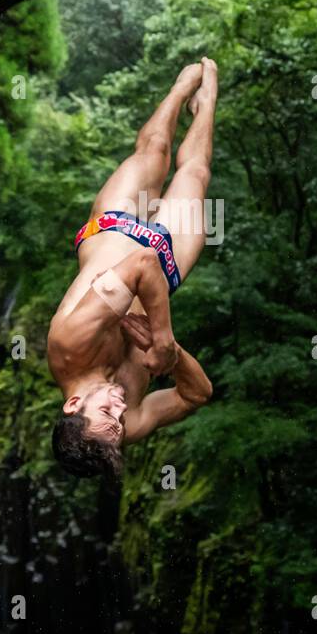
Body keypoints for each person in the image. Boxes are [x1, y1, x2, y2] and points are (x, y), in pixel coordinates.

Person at [47, 58, 218, 480]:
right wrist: (173, 357)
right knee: (195, 172)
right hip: (168, 256)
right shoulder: (124, 426)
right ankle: (208, 102)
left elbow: (140, 264)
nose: (121, 406)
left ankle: (179, 90)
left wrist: (161, 339)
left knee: (153, 152)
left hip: (116, 228)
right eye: (119, 420)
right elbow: (197, 395)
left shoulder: (70, 344)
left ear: (73, 406)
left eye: (107, 409)